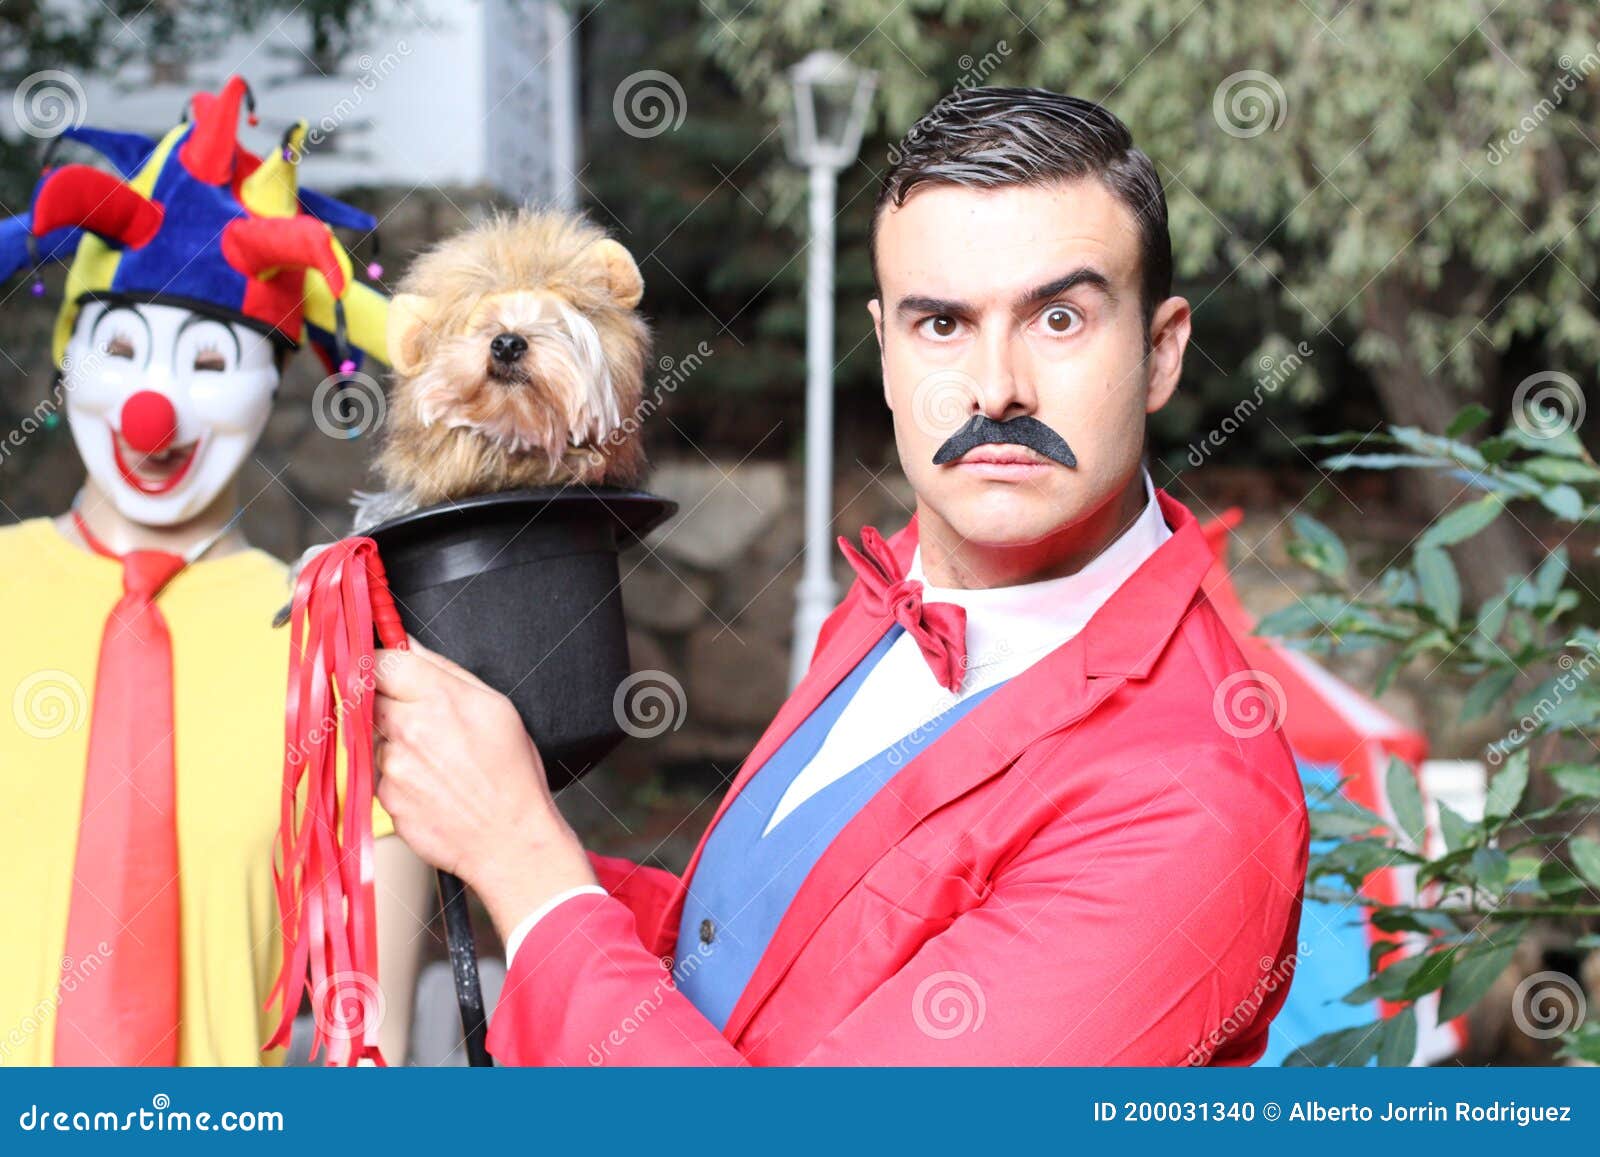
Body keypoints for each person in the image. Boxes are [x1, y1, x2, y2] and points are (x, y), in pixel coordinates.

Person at [371, 87, 1310, 1065]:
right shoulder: (898, 583)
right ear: (888, 348)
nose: (995, 387)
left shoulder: (1191, 798)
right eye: (941, 324)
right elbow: (744, 965)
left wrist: (527, 869)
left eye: (1059, 317)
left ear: (1159, 353)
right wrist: (487, 821)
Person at [0, 77, 429, 1066]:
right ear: (71, 364)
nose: (157, 408)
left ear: (268, 388)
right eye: (120, 347)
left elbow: (375, 1052)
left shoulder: (333, 641)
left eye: (206, 363)